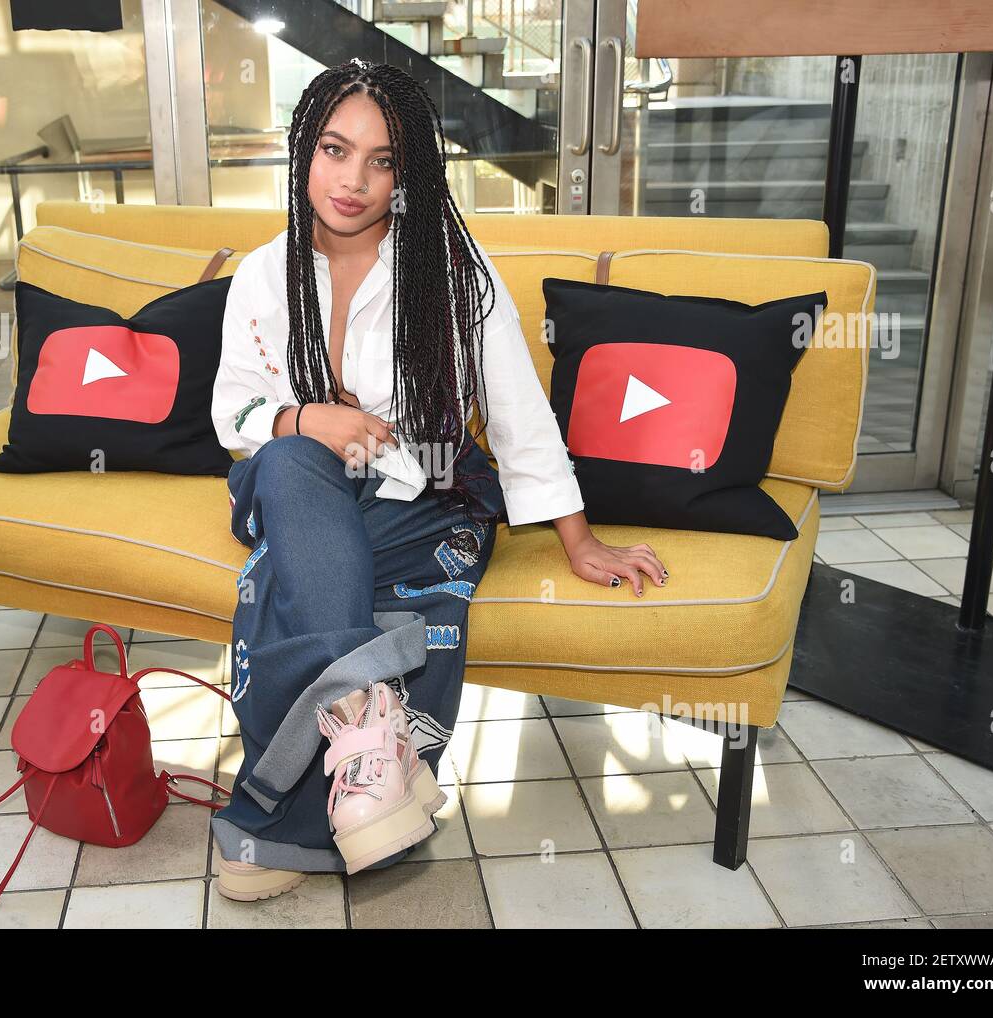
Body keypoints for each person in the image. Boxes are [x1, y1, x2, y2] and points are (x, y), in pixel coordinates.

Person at [208, 57, 667, 902]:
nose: (353, 181)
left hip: (423, 494)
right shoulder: (262, 275)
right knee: (287, 460)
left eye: (382, 161)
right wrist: (309, 418)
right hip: (300, 485)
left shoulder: (450, 268)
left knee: (289, 584)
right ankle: (365, 754)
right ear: (303, 150)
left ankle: (284, 820)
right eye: (336, 150)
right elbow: (231, 413)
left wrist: (578, 537)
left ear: (408, 172)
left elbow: (519, 410)